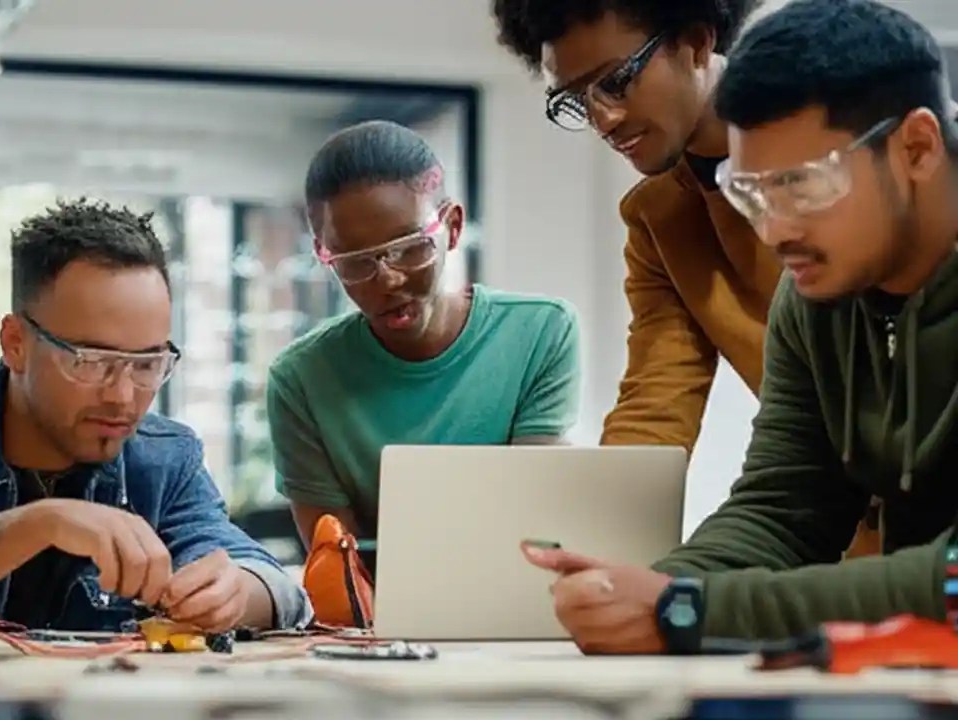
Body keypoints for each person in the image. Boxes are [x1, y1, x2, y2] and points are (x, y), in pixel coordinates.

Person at [524, 0, 958, 654]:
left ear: (917, 149)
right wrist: (642, 592)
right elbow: (783, 510)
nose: (775, 231)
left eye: (802, 185)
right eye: (752, 193)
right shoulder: (811, 300)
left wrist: (687, 607)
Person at [0, 198, 312, 636]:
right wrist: (40, 524)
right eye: (88, 362)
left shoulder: (162, 458)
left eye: (146, 365)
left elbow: (272, 586)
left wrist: (238, 594)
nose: (122, 397)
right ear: (15, 343)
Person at [489, 0, 882, 557]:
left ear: (697, 43)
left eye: (615, 82)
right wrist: (592, 551)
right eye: (575, 99)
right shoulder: (657, 219)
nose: (602, 119)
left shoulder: (860, 155)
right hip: (832, 535)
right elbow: (657, 403)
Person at [268, 120, 581, 547]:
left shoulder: (541, 333)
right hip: (378, 612)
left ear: (451, 227)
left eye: (411, 247)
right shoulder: (302, 378)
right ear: (327, 257)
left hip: (515, 592)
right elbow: (338, 568)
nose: (389, 280)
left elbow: (536, 520)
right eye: (355, 262)